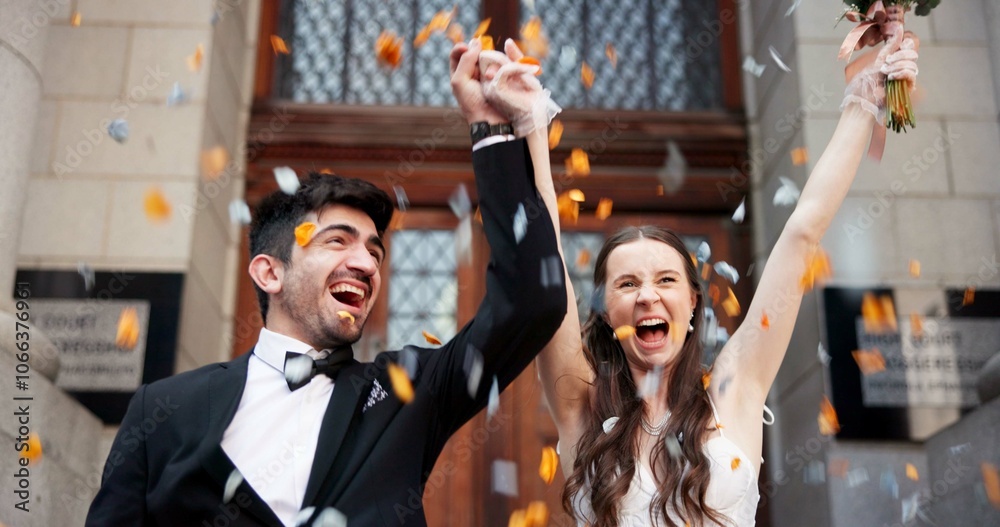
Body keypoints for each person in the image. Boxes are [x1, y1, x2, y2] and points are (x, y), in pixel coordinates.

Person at [85, 37, 567, 527]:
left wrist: (491, 130)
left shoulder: (406, 393)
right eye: (337, 241)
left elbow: (534, 301)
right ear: (270, 272)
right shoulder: (164, 409)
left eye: (374, 251)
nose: (366, 263)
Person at [509, 32, 921, 527]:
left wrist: (865, 100)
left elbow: (802, 231)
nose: (647, 296)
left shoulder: (734, 388)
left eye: (665, 280)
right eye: (626, 285)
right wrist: (531, 126)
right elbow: (544, 259)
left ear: (692, 303)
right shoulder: (581, 405)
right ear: (603, 311)